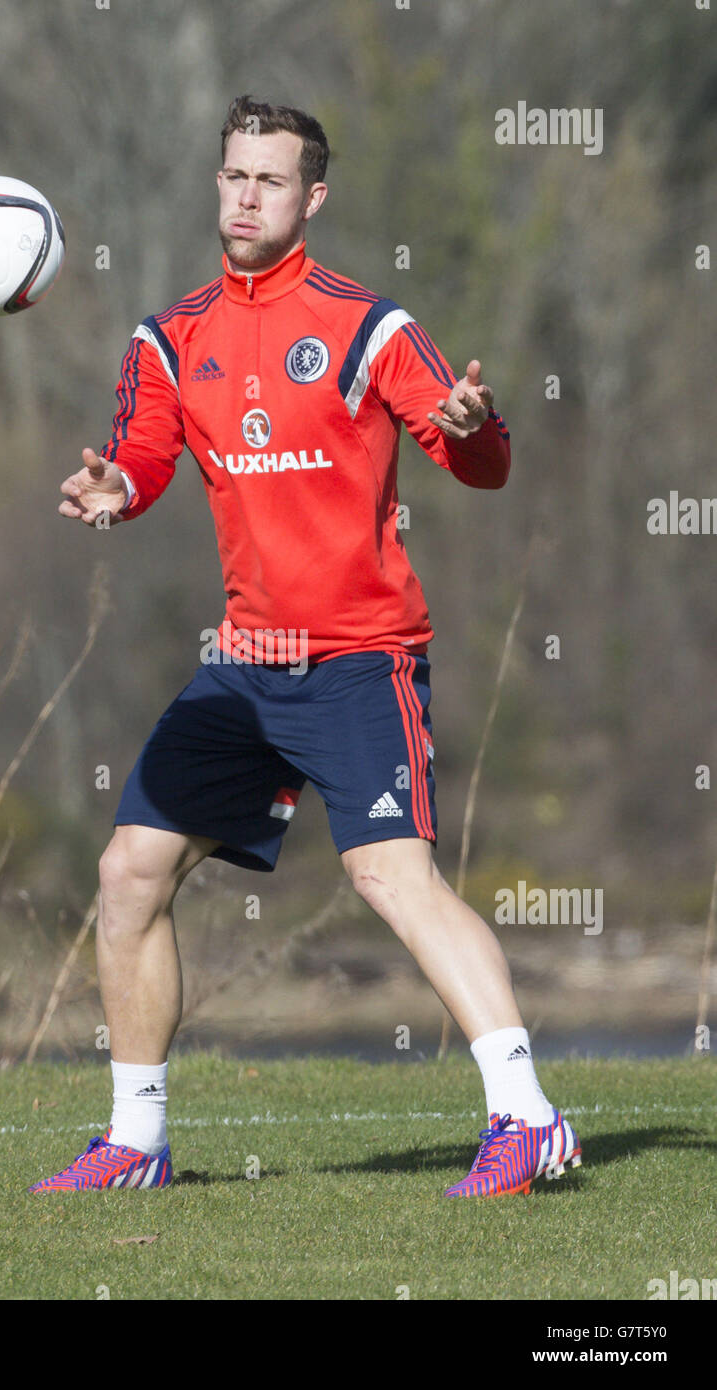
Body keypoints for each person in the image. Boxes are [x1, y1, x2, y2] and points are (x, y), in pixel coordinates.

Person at [29, 95, 581, 1198]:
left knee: (391, 873)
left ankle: (529, 1118)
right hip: (244, 664)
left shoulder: (371, 324)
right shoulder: (171, 335)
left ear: (311, 197)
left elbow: (480, 460)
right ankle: (136, 1140)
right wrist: (115, 487)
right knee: (129, 869)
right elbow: (141, 455)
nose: (245, 195)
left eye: (270, 180)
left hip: (359, 656)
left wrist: (479, 428)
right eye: (233, 175)